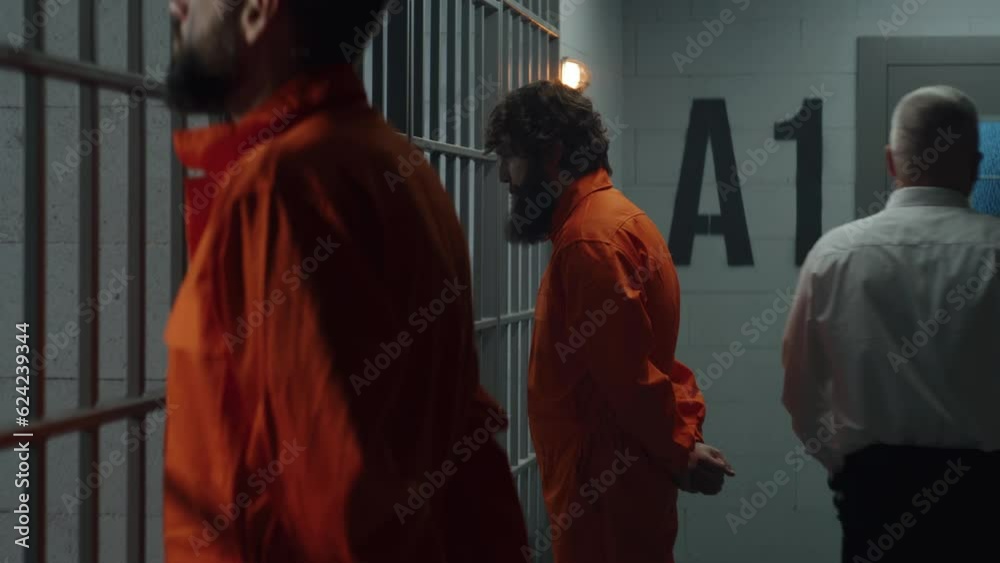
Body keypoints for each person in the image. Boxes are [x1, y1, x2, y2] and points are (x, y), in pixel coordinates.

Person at [163, 1, 528, 562]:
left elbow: (331, 494)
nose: (176, 7)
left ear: (259, 11)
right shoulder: (395, 164)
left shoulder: (283, 186)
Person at [485, 81, 735, 563]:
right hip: (619, 484)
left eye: (511, 158)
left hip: (601, 493)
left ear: (552, 156)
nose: (504, 177)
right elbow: (648, 364)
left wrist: (679, 450)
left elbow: (630, 379)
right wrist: (679, 445)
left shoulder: (588, 242)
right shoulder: (620, 220)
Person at [781, 85, 1000, 563]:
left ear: (891, 161)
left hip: (875, 498)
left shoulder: (835, 255)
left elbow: (800, 393)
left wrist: (848, 468)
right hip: (986, 503)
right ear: (975, 164)